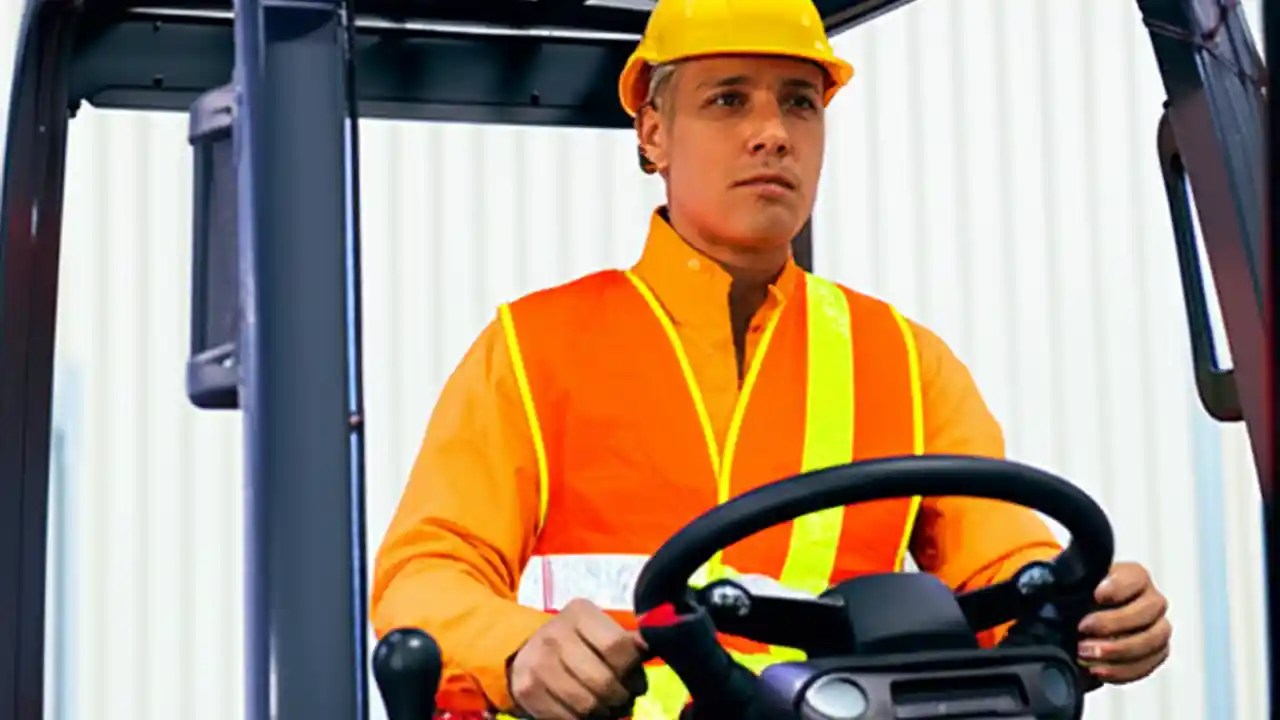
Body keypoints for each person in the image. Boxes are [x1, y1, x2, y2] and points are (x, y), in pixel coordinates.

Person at [370, 1, 1172, 718]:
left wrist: (1088, 608)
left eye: (800, 102)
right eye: (728, 100)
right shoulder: (534, 345)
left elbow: (1005, 565)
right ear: (653, 133)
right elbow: (424, 579)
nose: (773, 131)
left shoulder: (904, 360)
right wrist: (520, 649)